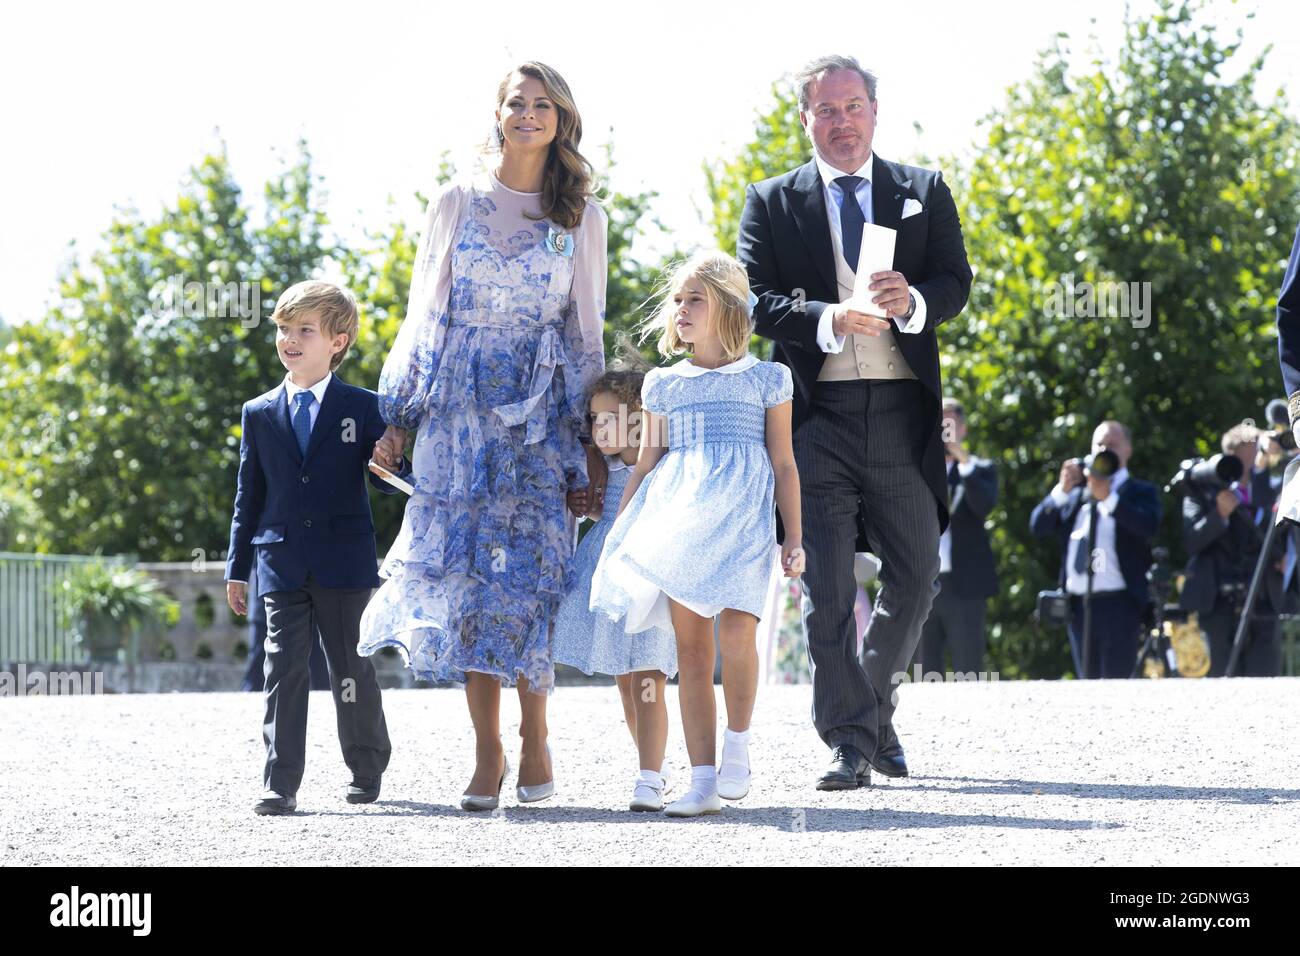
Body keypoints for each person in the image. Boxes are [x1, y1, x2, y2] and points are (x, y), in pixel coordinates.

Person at [359, 63, 607, 812]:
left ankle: (535, 735)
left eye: (544, 106)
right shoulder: (455, 202)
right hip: (458, 414)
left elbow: (585, 331)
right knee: (467, 581)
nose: (528, 115)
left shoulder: (582, 218)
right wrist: (397, 418)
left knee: (529, 578)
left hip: (539, 419)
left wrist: (591, 441)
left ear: (562, 120)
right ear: (497, 115)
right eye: (516, 103)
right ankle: (487, 749)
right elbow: (422, 315)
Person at [737, 54, 973, 788]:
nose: (841, 122)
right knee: (829, 586)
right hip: (815, 419)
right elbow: (757, 303)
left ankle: (870, 706)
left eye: (853, 106)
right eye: (826, 110)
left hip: (903, 413)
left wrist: (917, 302)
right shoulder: (771, 201)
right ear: (804, 118)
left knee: (918, 574)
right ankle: (848, 740)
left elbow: (955, 283)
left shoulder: (923, 191)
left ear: (875, 109)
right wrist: (829, 317)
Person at [590, 251, 805, 818]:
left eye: (695, 299)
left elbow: (784, 464)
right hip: (681, 524)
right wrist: (621, 534)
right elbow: (644, 464)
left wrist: (794, 537)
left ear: (728, 308)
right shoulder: (663, 384)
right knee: (690, 650)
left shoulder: (767, 377)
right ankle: (702, 780)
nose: (681, 309)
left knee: (738, 635)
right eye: (678, 300)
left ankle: (738, 743)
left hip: (742, 525)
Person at [224, 280, 405, 815]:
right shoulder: (258, 412)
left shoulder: (365, 407)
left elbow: (383, 479)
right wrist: (238, 569)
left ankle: (367, 768)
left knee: (351, 668)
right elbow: (247, 494)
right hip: (279, 560)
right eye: (284, 329)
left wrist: (390, 465)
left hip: (345, 561)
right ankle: (280, 782)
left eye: (305, 330)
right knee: (282, 668)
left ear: (338, 341)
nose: (290, 339)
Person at [551, 354, 678, 811]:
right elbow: (606, 516)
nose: (598, 428)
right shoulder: (601, 471)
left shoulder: (662, 464)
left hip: (648, 572)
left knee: (649, 676)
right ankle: (654, 766)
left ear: (641, 420)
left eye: (609, 419)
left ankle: (648, 777)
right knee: (625, 682)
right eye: (594, 419)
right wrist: (588, 504)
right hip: (607, 576)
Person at [1030, 421, 1161, 679]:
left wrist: (1109, 499)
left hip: (1120, 604)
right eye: (1099, 444)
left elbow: (1147, 526)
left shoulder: (1139, 491)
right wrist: (1062, 490)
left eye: (1111, 445)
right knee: (1086, 683)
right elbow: (1038, 527)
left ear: (1128, 450)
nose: (1104, 449)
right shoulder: (1078, 495)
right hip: (1079, 606)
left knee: (1115, 684)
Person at [1180, 424, 1283, 677]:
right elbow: (1191, 542)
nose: (1263, 455)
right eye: (1255, 450)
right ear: (1235, 454)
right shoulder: (1203, 490)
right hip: (1217, 604)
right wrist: (1219, 515)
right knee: (1220, 680)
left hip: (1263, 601)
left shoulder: (1274, 491)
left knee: (1264, 680)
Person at [915, 399, 998, 675]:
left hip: (964, 585)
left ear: (963, 429)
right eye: (941, 425)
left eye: (951, 425)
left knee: (968, 666)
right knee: (924, 669)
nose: (946, 432)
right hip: (927, 581)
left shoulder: (979, 470)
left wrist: (963, 461)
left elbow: (983, 506)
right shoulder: (921, 472)